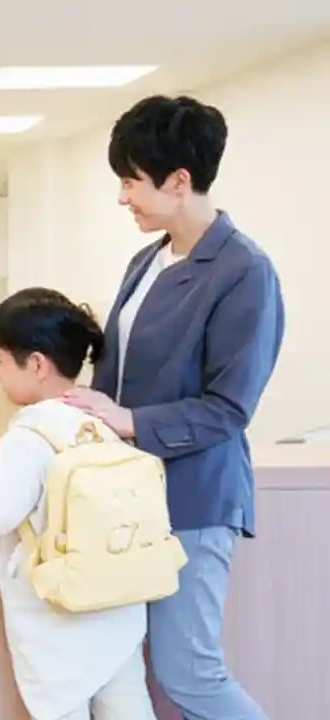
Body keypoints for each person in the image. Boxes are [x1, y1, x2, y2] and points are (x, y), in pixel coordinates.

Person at [62, 95, 282, 720]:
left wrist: (131, 421)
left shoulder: (244, 271)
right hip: (133, 497)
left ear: (179, 181)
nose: (122, 197)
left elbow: (228, 407)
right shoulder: (147, 259)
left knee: (189, 675)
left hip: (194, 496)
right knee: (133, 673)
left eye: (131, 181)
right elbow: (120, 370)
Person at [0, 288, 155, 720]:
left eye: (0, 360)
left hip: (61, 614)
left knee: (63, 708)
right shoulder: (102, 420)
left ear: (36, 364)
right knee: (129, 708)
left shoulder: (28, 436)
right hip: (119, 605)